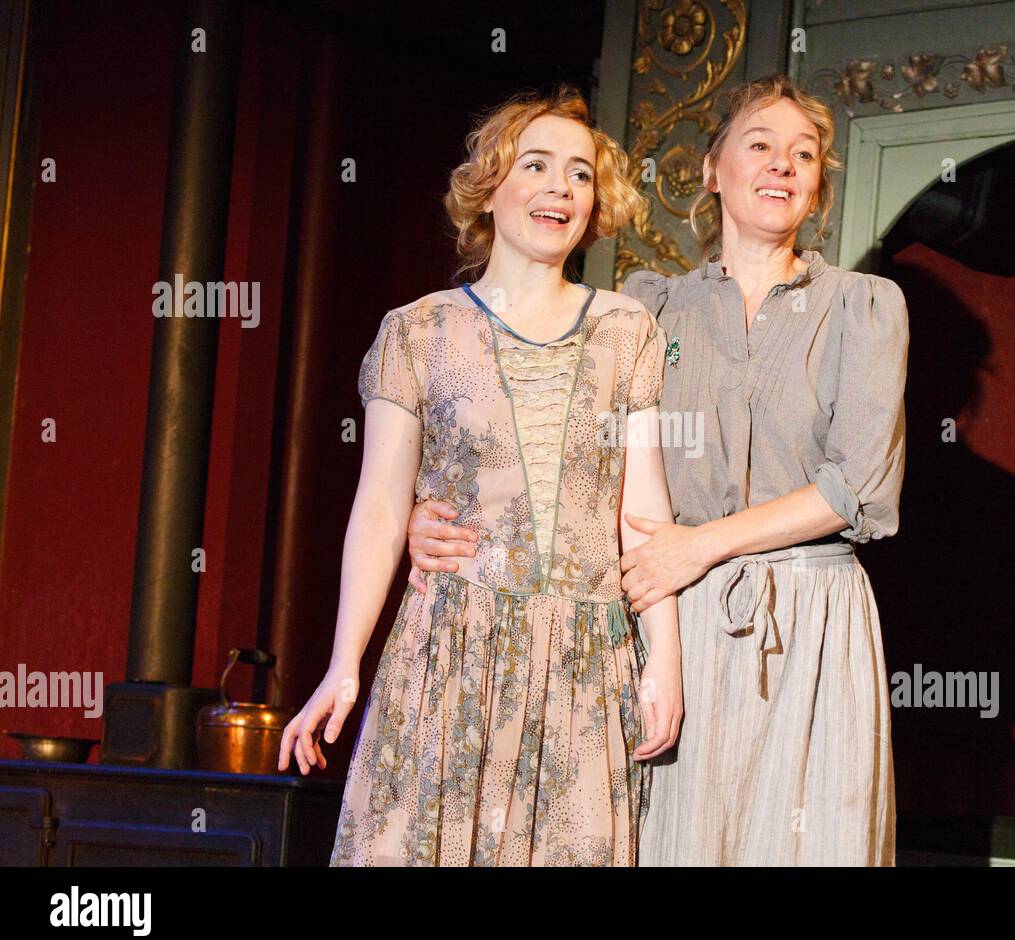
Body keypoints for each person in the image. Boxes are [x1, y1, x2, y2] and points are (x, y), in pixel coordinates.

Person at [407, 74, 908, 866]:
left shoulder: (864, 307)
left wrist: (699, 545)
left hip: (812, 620)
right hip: (673, 620)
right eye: (761, 146)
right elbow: (567, 453)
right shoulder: (646, 312)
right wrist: (435, 516)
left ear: (818, 186)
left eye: (804, 155)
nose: (783, 165)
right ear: (712, 172)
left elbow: (861, 488)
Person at [277, 85, 682, 867]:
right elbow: (380, 507)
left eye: (579, 174)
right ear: (490, 187)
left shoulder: (627, 331)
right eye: (536, 166)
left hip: (585, 664)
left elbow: (645, 513)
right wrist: (343, 661)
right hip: (450, 653)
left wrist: (663, 657)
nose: (560, 188)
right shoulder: (419, 331)